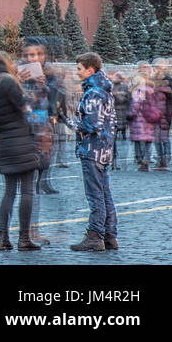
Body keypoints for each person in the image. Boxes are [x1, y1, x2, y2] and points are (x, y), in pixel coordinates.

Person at [0, 52, 41, 251]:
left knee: (9, 192)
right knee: (27, 190)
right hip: (22, 137)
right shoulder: (8, 82)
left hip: (2, 141)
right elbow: (25, 109)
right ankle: (24, 238)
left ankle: (2, 238)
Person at [65, 52, 117, 252]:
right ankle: (110, 235)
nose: (76, 72)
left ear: (90, 69)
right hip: (104, 149)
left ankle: (95, 236)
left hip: (92, 149)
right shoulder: (104, 90)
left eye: (79, 68)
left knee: (95, 196)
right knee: (104, 194)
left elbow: (91, 124)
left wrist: (68, 121)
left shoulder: (93, 92)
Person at [19, 38, 56, 195]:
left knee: (45, 155)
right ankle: (31, 184)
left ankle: (44, 182)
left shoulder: (50, 73)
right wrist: (19, 82)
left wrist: (43, 86)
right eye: (29, 55)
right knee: (29, 155)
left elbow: (56, 96)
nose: (32, 59)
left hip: (43, 119)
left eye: (36, 55)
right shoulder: (18, 72)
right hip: (25, 120)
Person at [129, 73, 158, 170]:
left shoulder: (139, 91)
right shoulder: (152, 90)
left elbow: (136, 105)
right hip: (151, 118)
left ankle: (141, 159)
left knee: (140, 140)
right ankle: (147, 158)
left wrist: (130, 115)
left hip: (140, 119)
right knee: (148, 140)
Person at [153, 58, 172, 170]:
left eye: (156, 67)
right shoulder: (154, 80)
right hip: (155, 113)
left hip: (165, 113)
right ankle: (160, 158)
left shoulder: (168, 80)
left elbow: (170, 95)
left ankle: (166, 159)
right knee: (156, 138)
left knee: (163, 137)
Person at [111, 72, 131, 169]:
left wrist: (116, 95)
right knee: (112, 140)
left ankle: (118, 161)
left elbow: (124, 100)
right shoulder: (109, 86)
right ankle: (112, 161)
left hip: (121, 115)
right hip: (113, 116)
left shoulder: (124, 87)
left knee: (120, 141)